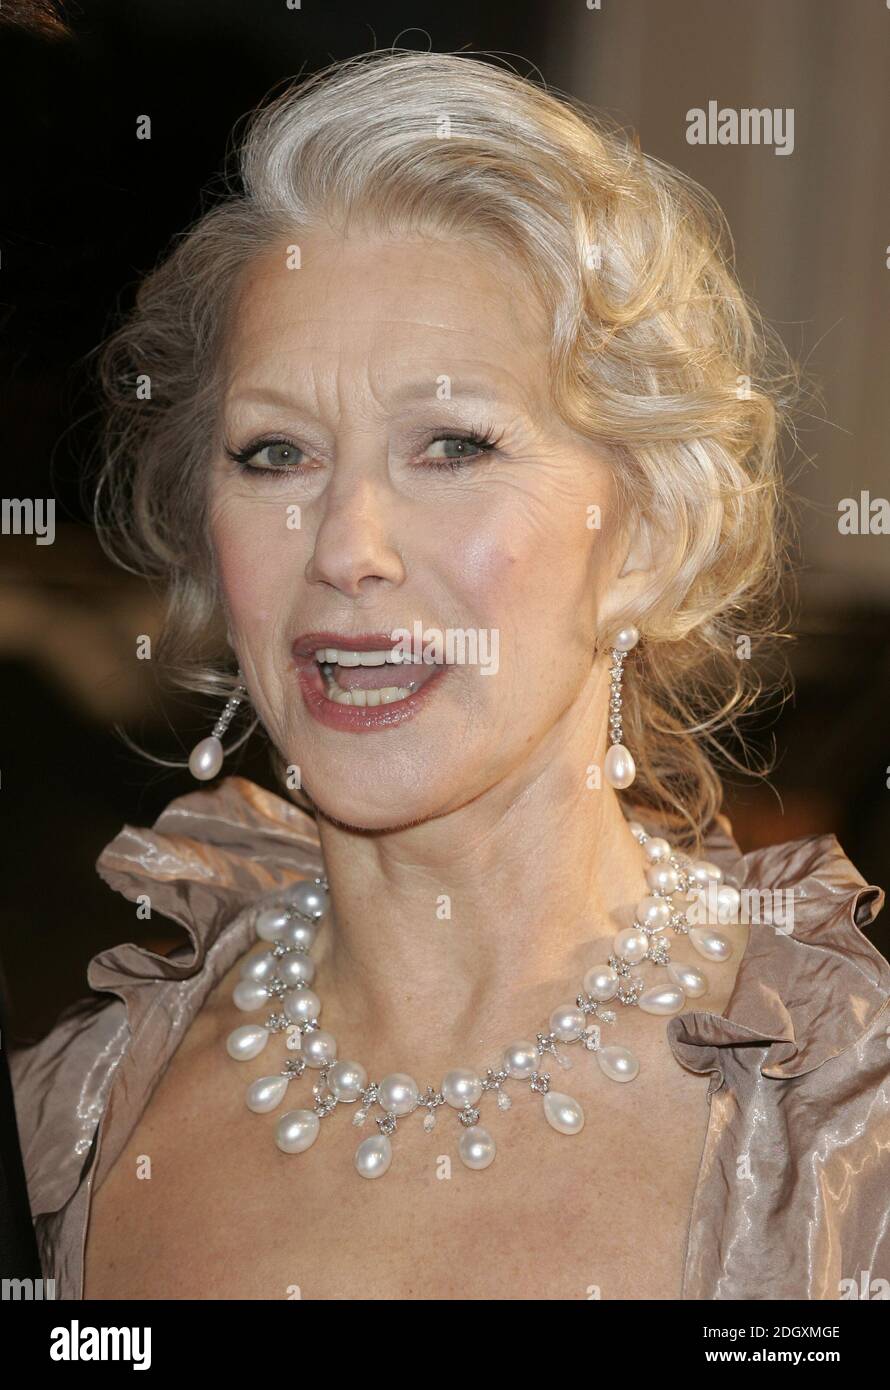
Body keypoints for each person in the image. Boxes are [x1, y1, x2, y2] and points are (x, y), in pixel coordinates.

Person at [10, 49, 890, 1301]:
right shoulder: (73, 1128)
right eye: (273, 454)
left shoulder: (846, 1142)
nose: (347, 547)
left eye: (452, 445)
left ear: (644, 536)